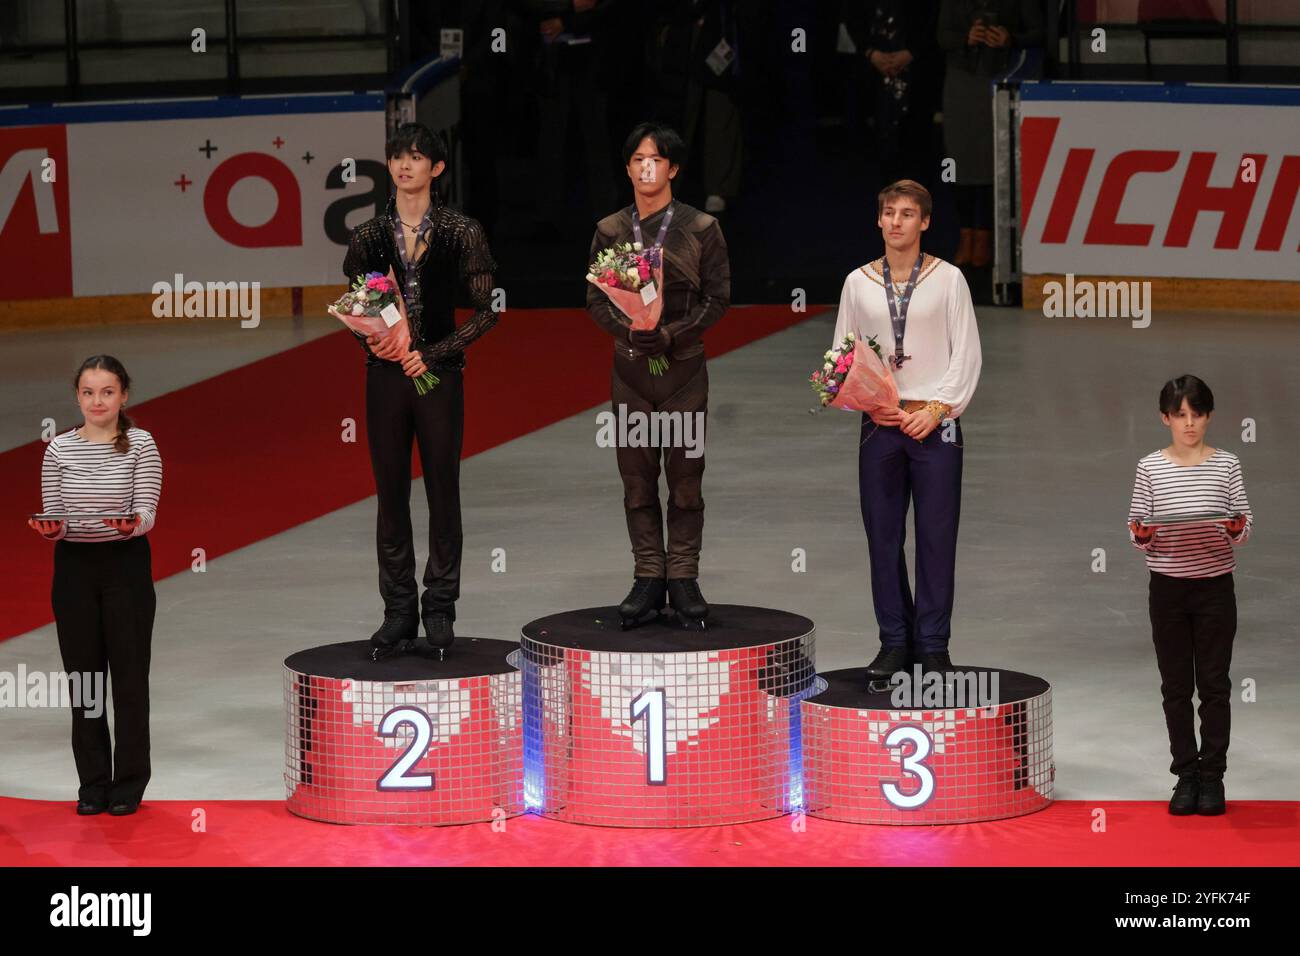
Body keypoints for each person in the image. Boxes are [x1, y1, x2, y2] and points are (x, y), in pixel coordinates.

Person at [342, 123, 499, 660]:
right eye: (396, 157)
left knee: (442, 486)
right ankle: (398, 608)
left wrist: (431, 353)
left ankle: (440, 605)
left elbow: (487, 311)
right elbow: (357, 305)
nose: (405, 165)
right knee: (389, 491)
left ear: (437, 168)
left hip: (439, 374)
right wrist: (382, 346)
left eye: (416, 157)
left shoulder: (461, 231)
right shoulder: (366, 235)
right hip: (385, 376)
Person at [830, 179, 981, 679]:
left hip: (936, 426)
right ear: (878, 220)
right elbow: (844, 357)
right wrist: (869, 404)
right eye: (889, 212)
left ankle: (933, 644)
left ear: (925, 222)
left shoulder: (949, 279)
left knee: (937, 537)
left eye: (908, 213)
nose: (897, 221)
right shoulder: (857, 282)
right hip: (881, 425)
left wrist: (938, 409)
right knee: (883, 537)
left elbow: (967, 354)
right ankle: (894, 640)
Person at [586, 121, 730, 629]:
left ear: (673, 168)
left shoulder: (701, 228)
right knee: (636, 480)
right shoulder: (609, 229)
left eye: (657, 159)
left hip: (684, 372)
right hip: (629, 373)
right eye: (638, 159)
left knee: (686, 481)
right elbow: (594, 299)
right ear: (628, 168)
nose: (647, 167)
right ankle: (648, 574)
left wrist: (673, 335)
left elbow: (719, 299)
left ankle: (683, 575)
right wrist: (629, 331)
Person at [28, 355, 162, 816]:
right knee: (84, 681)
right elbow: (56, 514)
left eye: (107, 392)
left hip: (125, 567)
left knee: (128, 680)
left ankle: (128, 784)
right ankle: (92, 785)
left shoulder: (141, 444)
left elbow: (146, 510)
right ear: (78, 397)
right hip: (74, 571)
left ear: (124, 395)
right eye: (89, 392)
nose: (97, 400)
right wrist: (53, 530)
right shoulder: (58, 450)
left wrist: (130, 525)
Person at [1127, 375, 1252, 816]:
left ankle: (1213, 776)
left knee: (1214, 686)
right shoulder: (1150, 467)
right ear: (1165, 418)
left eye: (1196, 414)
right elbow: (1137, 527)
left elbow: (1242, 523)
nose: (1189, 423)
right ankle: (1186, 775)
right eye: (1179, 415)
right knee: (1176, 687)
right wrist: (1143, 535)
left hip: (1216, 588)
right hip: (1168, 590)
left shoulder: (1227, 464)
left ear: (1209, 416)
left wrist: (1235, 526)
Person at [936, 0, 1042, 267]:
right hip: (960, 81)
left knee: (989, 159)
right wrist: (966, 37)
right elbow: (941, 36)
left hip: (997, 79)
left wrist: (1010, 37)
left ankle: (985, 239)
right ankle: (965, 235)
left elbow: (1040, 32)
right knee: (961, 160)